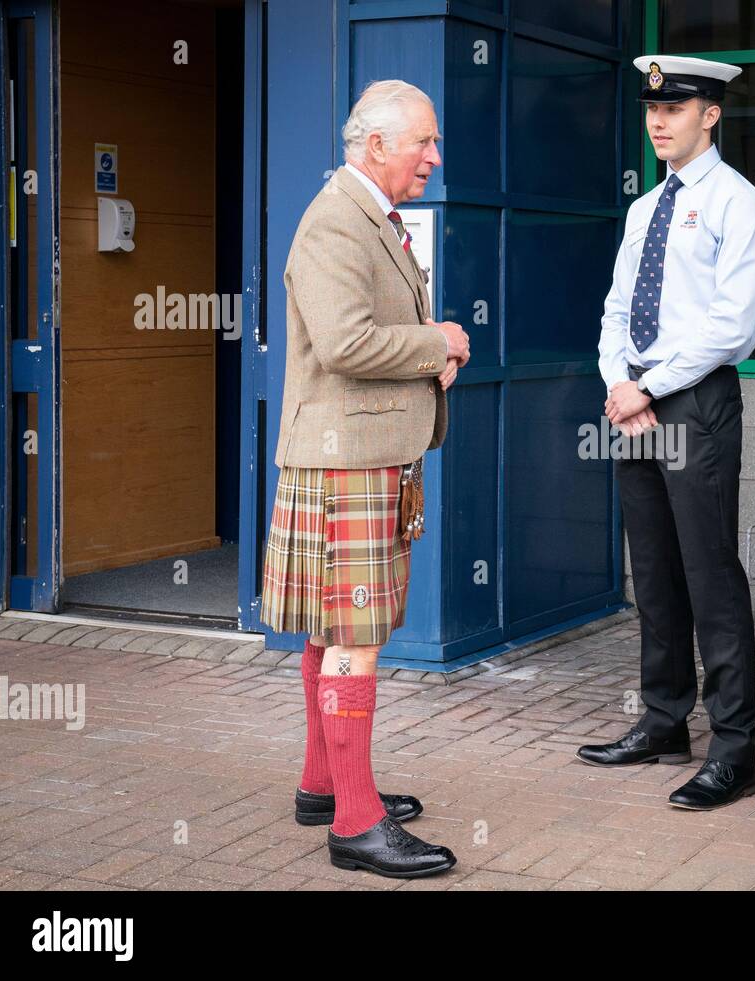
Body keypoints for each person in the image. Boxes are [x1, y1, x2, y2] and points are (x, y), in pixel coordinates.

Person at [260, 80, 469, 878]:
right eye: (424, 141)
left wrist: (432, 361)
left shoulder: (364, 216)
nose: (433, 157)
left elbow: (359, 340)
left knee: (328, 629)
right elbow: (346, 343)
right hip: (346, 461)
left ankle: (324, 784)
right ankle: (355, 823)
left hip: (354, 456)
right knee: (354, 639)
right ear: (377, 144)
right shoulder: (334, 223)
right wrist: (437, 341)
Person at [579, 55, 755, 810]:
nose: (659, 120)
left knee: (709, 574)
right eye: (651, 108)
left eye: (677, 106)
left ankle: (736, 748)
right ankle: (663, 719)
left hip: (694, 405)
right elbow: (616, 310)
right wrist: (616, 385)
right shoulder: (642, 209)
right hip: (636, 404)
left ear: (712, 114)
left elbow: (731, 325)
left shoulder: (738, 204)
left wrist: (646, 387)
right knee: (654, 571)